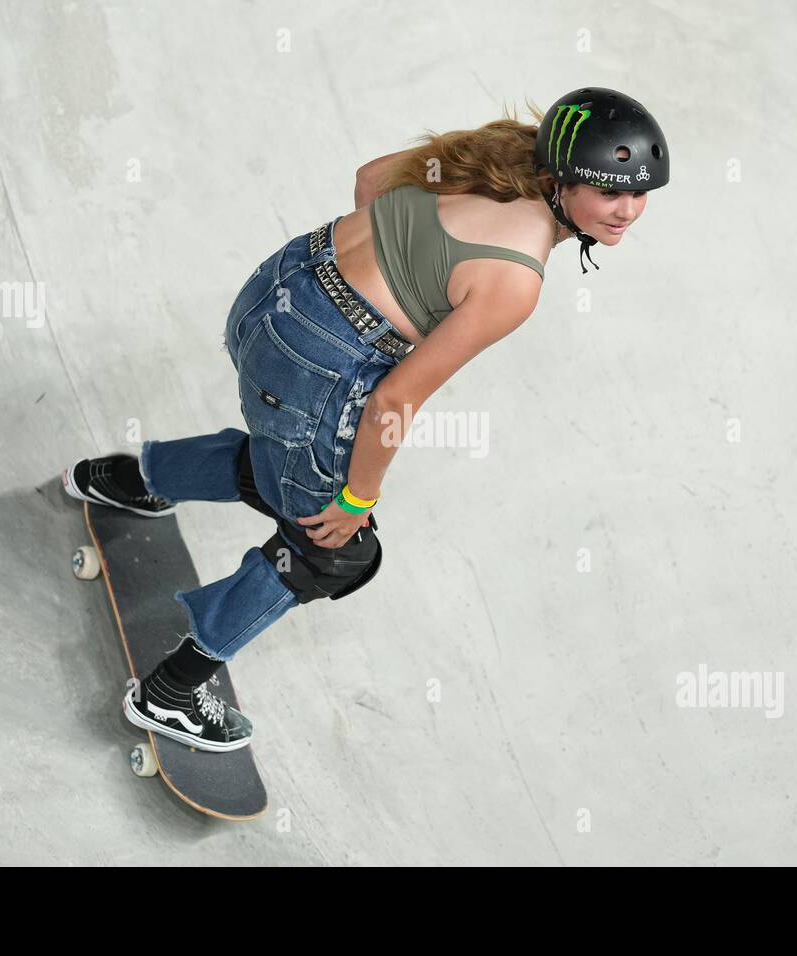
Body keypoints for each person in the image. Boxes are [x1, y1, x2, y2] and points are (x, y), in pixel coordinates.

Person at [61, 87, 670, 752]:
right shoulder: (515, 280)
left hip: (277, 289)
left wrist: (394, 265)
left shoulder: (498, 158)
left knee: (290, 467)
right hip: (314, 365)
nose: (628, 212)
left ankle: (122, 479)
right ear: (565, 179)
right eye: (611, 193)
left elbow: (370, 181)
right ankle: (172, 693)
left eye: (640, 194)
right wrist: (356, 499)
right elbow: (392, 402)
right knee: (335, 549)